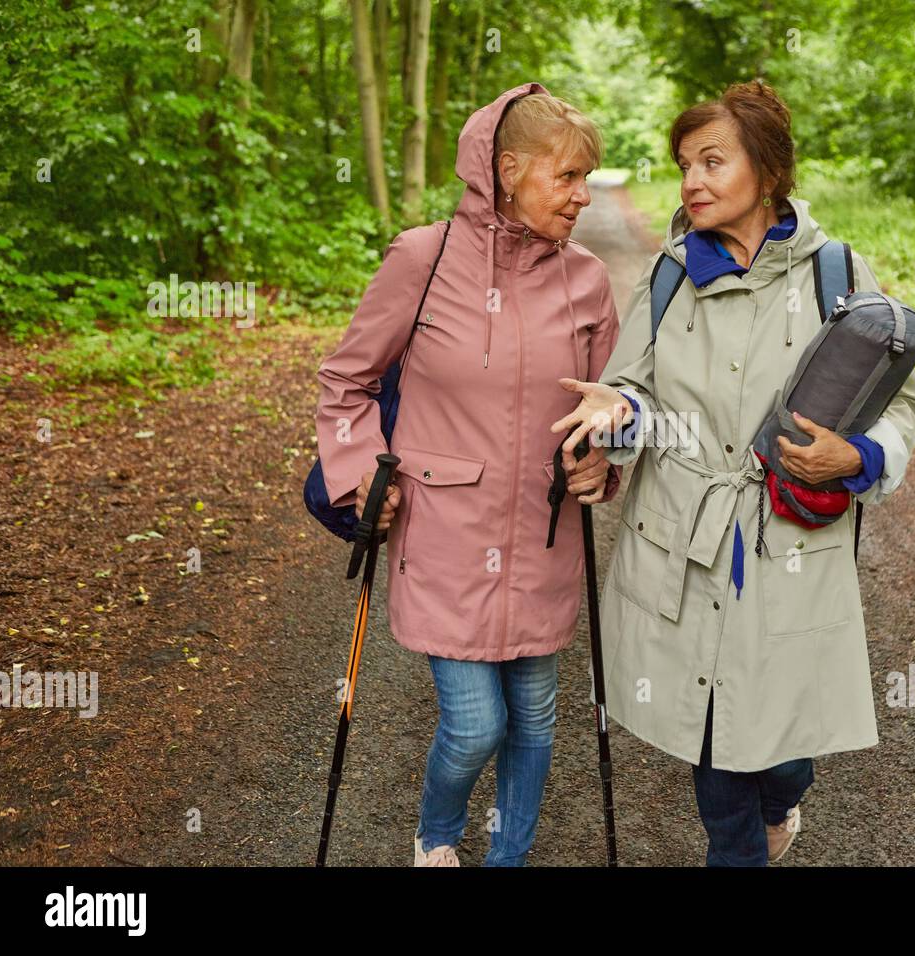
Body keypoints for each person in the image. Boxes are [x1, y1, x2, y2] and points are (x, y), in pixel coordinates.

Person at [551, 80, 915, 866]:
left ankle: (787, 797)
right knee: (720, 753)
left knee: (781, 748)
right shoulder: (667, 276)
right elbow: (635, 388)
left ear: (767, 169)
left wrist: (855, 458)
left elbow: (902, 406)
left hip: (788, 542)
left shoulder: (836, 273)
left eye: (712, 161)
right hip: (684, 541)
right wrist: (616, 415)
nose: (692, 181)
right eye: (686, 164)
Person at [315, 82, 621, 867]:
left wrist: (602, 463)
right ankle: (438, 834)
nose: (584, 196)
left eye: (589, 179)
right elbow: (346, 381)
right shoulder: (423, 258)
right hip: (446, 533)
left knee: (539, 717)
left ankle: (507, 858)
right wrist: (357, 480)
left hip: (542, 533)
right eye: (569, 177)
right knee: (477, 723)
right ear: (509, 169)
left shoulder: (586, 280)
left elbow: (612, 405)